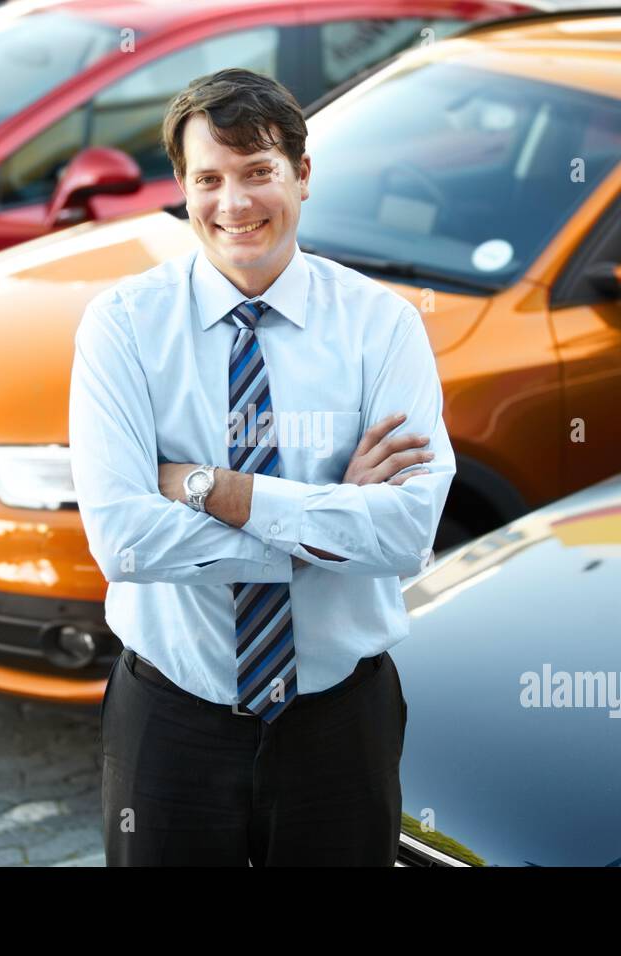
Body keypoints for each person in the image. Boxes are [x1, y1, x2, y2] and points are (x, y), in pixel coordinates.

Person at [68, 67, 456, 866]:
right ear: (182, 187)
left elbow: (407, 534)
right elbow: (124, 544)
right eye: (208, 178)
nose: (234, 204)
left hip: (339, 725)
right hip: (171, 722)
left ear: (303, 176)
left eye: (258, 172)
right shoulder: (123, 328)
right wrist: (327, 522)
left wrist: (220, 489)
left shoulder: (383, 329)